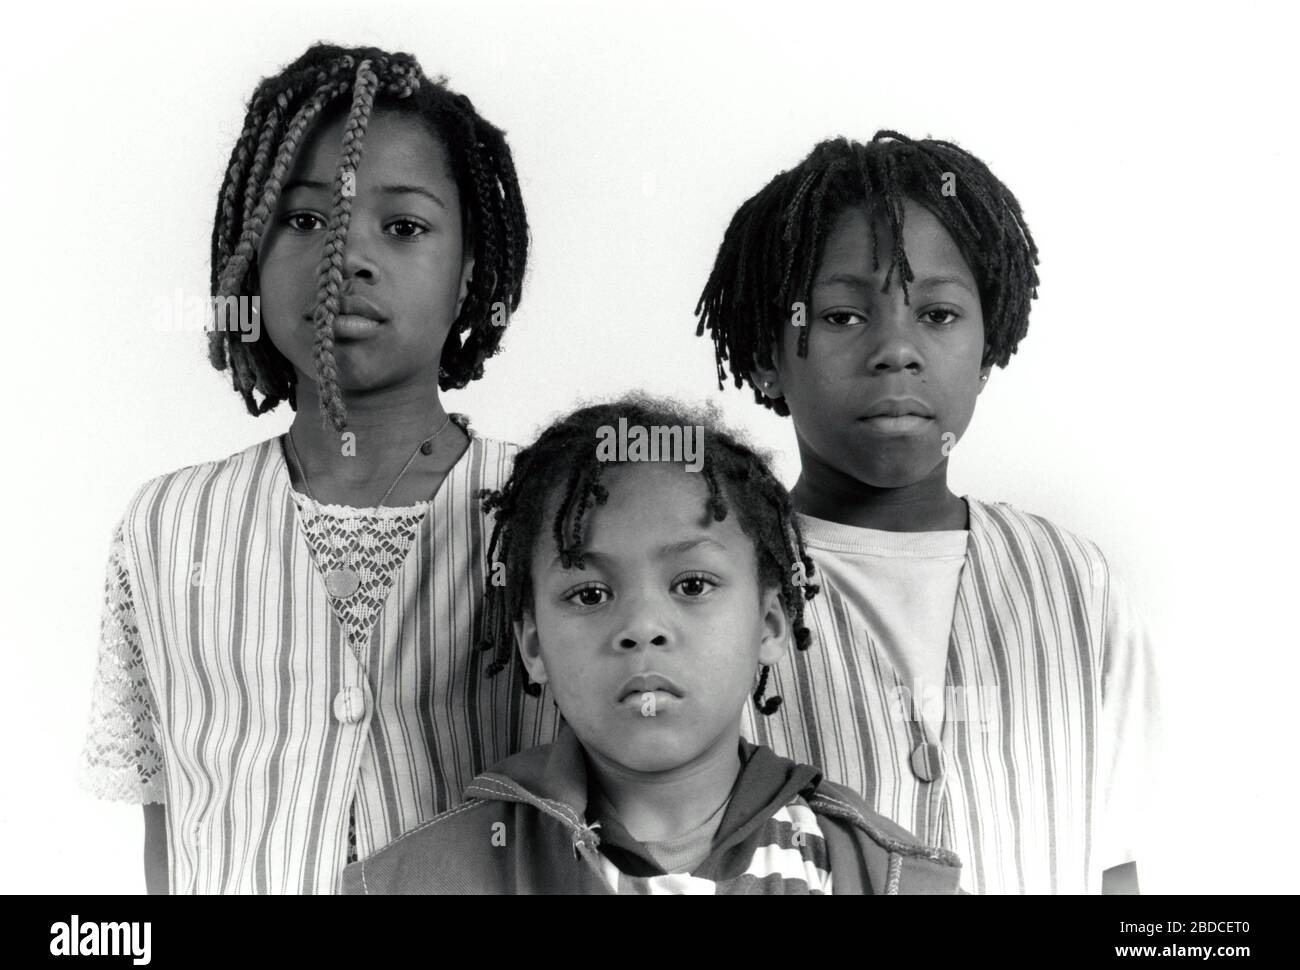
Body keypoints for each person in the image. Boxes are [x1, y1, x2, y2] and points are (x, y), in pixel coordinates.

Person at [78, 43, 558, 894]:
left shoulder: (553, 516)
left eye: (403, 226)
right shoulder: (167, 528)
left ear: (471, 269)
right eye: (303, 221)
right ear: (249, 255)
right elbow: (169, 836)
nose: (347, 256)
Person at [693, 132, 1158, 893]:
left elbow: (1119, 872)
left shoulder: (1075, 586)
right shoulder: (709, 587)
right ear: (765, 355)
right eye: (843, 316)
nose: (896, 349)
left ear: (989, 341)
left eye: (938, 313)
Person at [343, 397, 963, 894]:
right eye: (588, 594)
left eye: (692, 584)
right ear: (533, 645)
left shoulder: (882, 876)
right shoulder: (419, 880)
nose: (642, 626)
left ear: (771, 625)